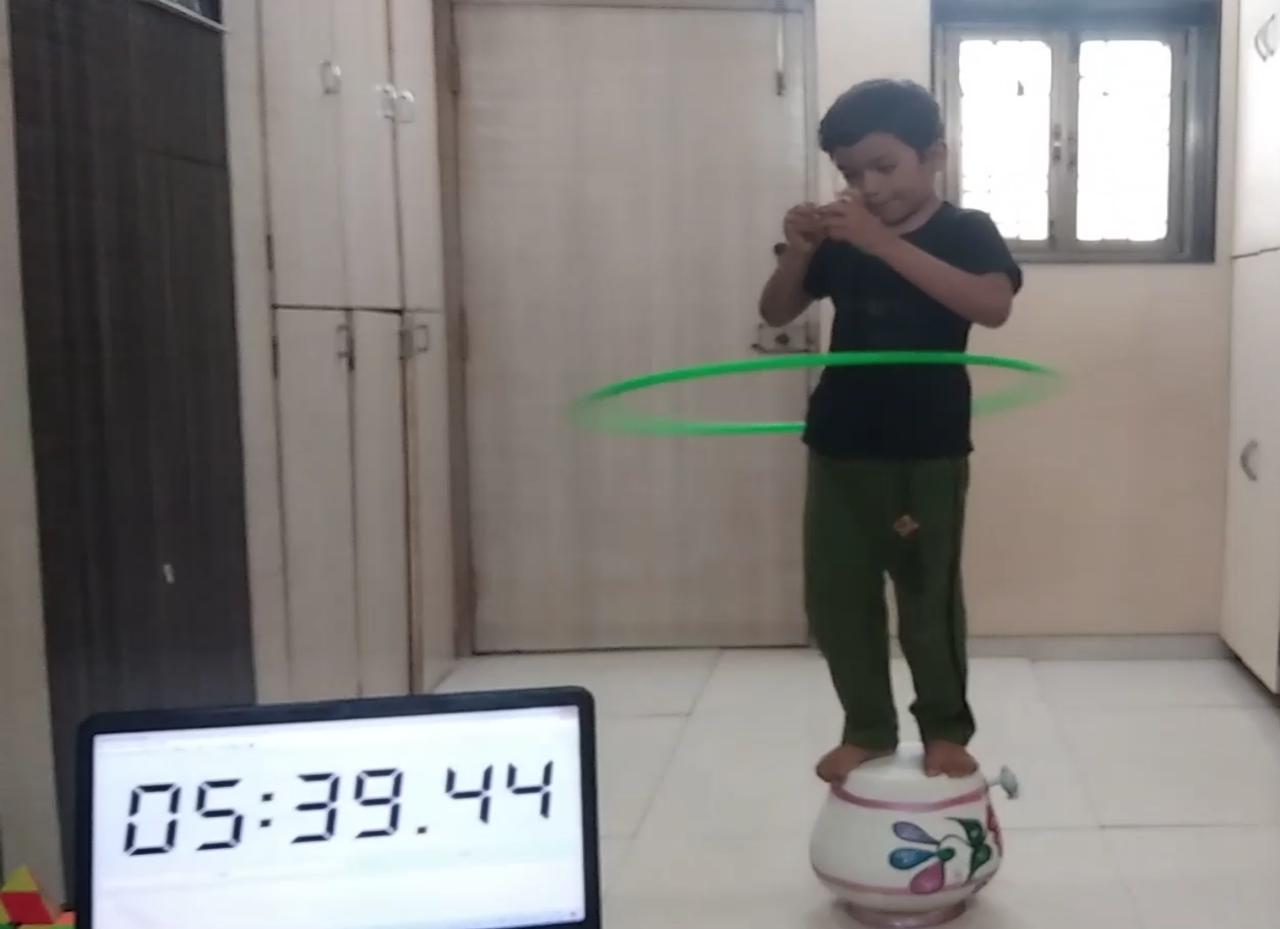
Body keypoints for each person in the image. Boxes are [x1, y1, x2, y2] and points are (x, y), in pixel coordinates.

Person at [758, 79, 1023, 783]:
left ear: (932, 154)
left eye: (883, 167)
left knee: (926, 592)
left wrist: (880, 244)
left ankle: (943, 727)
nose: (867, 186)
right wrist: (797, 250)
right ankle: (867, 726)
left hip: (927, 446)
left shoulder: (967, 231)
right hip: (840, 441)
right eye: (851, 173)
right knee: (838, 594)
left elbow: (990, 306)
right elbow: (778, 311)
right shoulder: (839, 241)